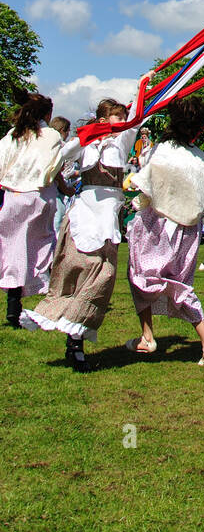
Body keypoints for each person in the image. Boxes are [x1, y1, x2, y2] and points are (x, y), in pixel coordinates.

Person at [21, 90, 145, 369]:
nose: (120, 123)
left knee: (104, 275)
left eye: (122, 119)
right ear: (103, 119)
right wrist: (87, 136)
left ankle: (76, 335)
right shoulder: (87, 144)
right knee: (75, 273)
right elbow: (64, 153)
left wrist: (143, 86)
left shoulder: (122, 143)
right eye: (116, 118)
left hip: (106, 221)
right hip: (83, 217)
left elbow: (137, 120)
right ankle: (73, 341)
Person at [126, 96, 204, 364]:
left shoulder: (162, 151)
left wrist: (138, 202)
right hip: (189, 231)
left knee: (139, 275)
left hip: (157, 226)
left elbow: (147, 185)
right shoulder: (202, 160)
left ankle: (147, 336)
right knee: (180, 285)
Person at [0, 90, 64, 328]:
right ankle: (41, 300)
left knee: (14, 249)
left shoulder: (13, 135)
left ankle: (14, 305)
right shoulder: (50, 135)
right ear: (47, 113)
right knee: (41, 248)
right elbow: (54, 165)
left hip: (13, 197)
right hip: (38, 195)